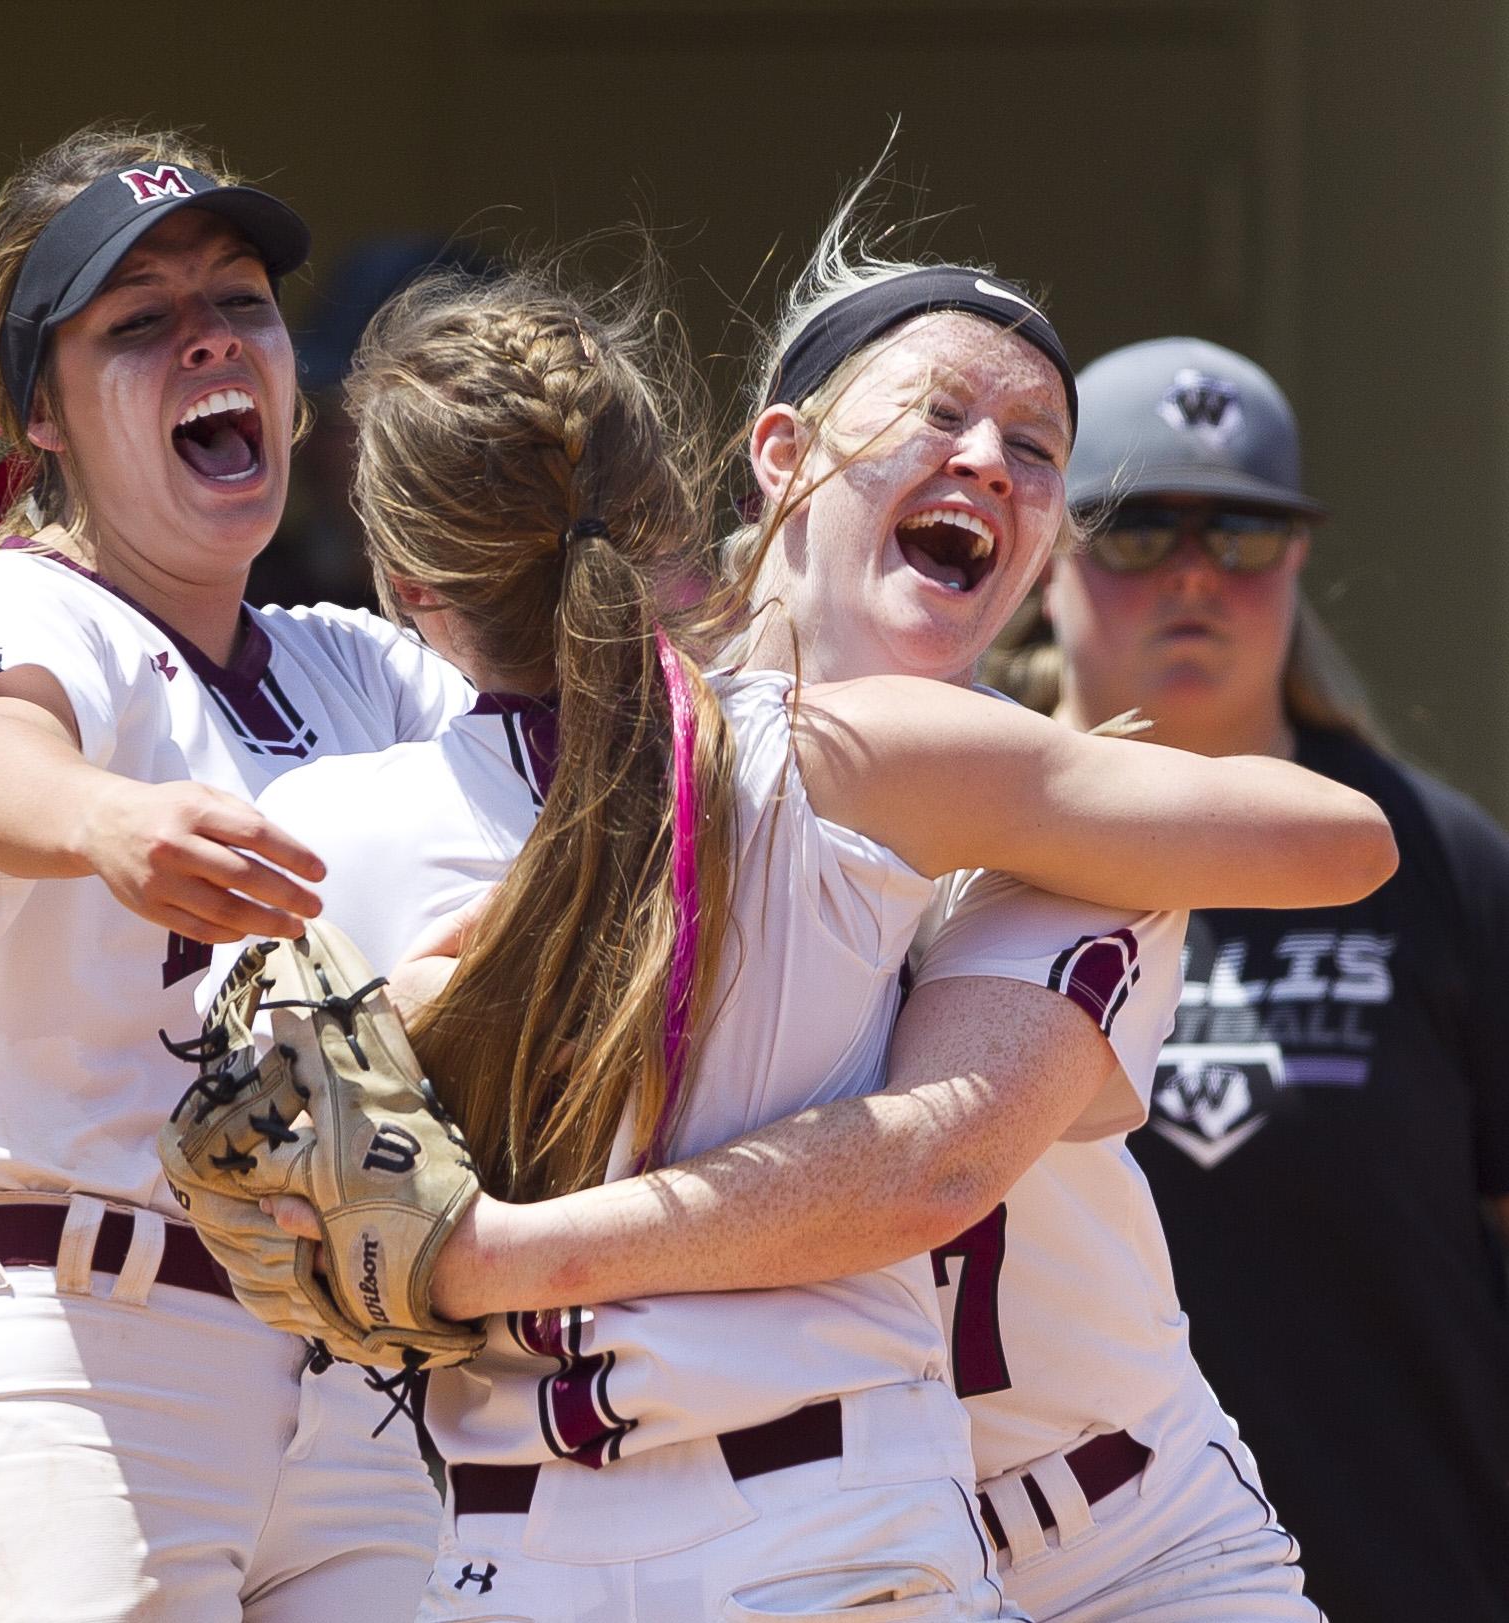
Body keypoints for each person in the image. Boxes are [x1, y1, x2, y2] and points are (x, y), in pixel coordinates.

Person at [244, 249, 1392, 1620]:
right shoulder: (587, 769)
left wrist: (498, 1241)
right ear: (780, 452)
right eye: (938, 415)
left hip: (1116, 1539)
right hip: (790, 1522)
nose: (988, 462)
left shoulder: (1068, 803)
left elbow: (926, 1161)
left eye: (1034, 450)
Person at [0, 126, 470, 1622]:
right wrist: (106, 820)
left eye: (239, 299)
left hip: (351, 1380)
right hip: (75, 1358)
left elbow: (585, 800)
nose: (210, 337)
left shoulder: (356, 667)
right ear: (43, 411)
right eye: (141, 321)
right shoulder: (25, 607)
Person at [984, 336, 1509, 1623]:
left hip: (1405, 1578)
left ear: (1299, 560)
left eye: (1241, 534)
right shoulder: (944, 866)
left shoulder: (1438, 865)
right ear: (1044, 547)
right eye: (1138, 529)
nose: (1191, 575)